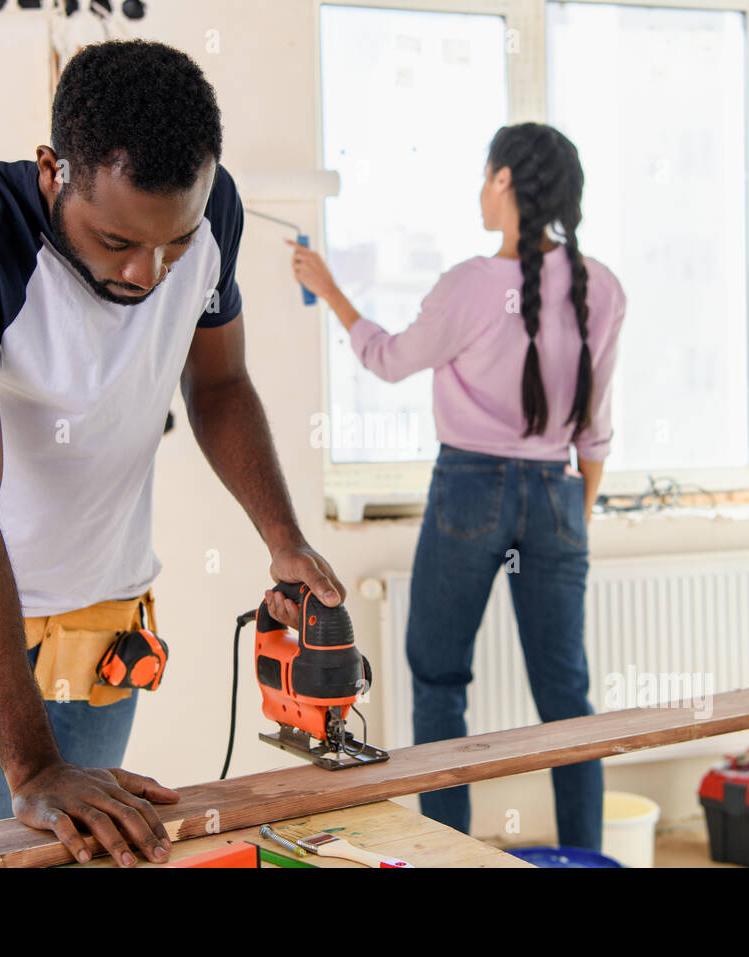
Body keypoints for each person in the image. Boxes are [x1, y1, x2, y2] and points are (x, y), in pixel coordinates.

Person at [0, 39, 344, 866]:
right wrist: (35, 766)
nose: (147, 272)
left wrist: (284, 538)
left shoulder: (215, 213)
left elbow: (222, 384)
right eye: (117, 239)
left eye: (173, 243)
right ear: (54, 169)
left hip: (106, 613)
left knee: (92, 858)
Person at [287, 122, 625, 850]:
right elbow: (595, 429)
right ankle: (587, 856)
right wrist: (573, 517)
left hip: (470, 486)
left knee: (439, 679)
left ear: (504, 182)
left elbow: (386, 358)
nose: (479, 189)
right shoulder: (604, 287)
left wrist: (331, 291)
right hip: (560, 490)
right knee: (569, 700)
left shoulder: (470, 285)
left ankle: (450, 858)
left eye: (484, 175)